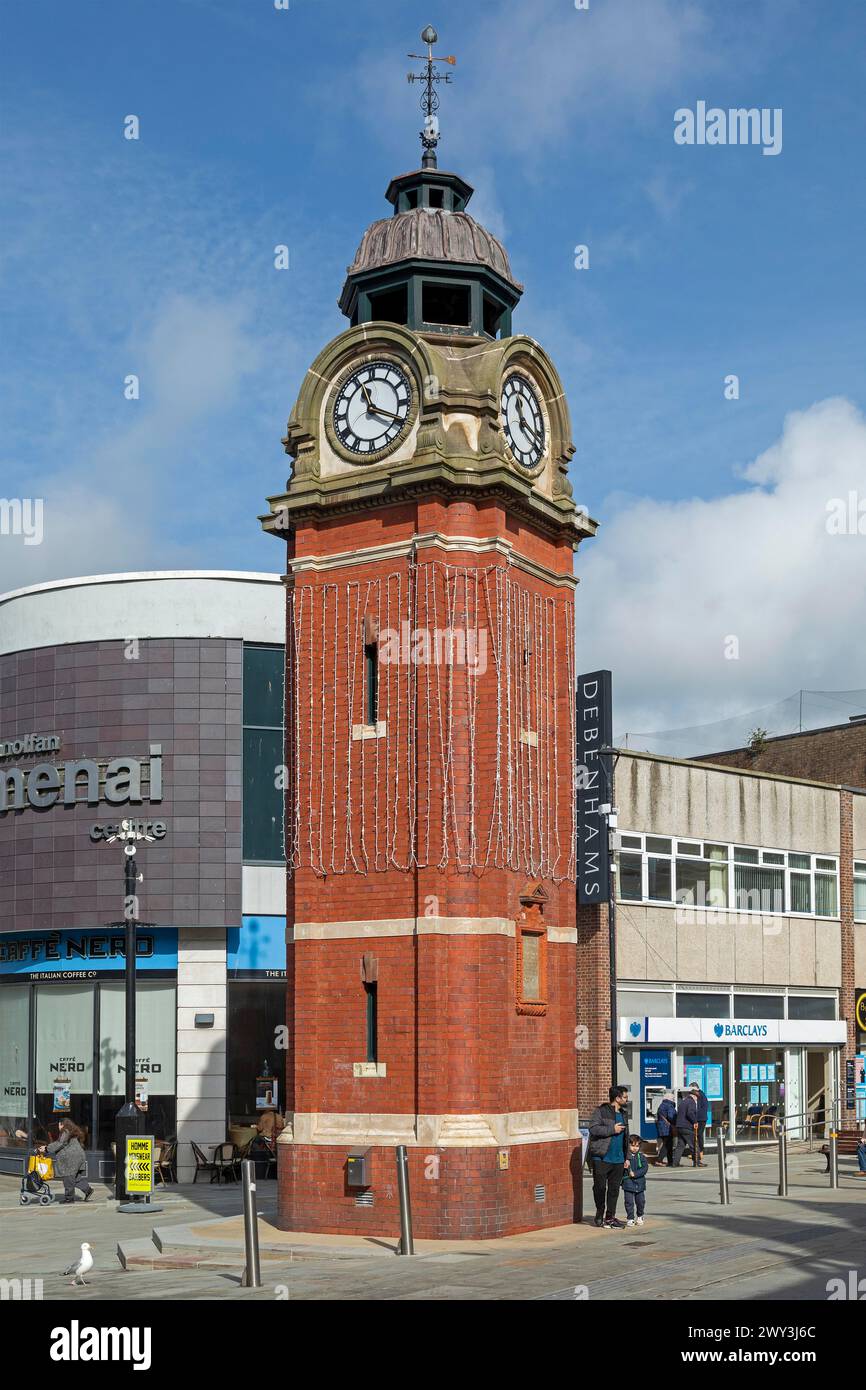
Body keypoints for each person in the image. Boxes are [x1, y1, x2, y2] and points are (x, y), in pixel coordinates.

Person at [587, 1085, 630, 1229]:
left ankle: (610, 1216)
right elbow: (593, 1128)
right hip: (602, 1157)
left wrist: (627, 1157)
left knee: (614, 1189)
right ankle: (600, 1211)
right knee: (599, 1187)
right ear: (617, 1098)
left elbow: (626, 1137)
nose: (627, 1099)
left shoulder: (624, 1113)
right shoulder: (601, 1111)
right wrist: (612, 1129)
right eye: (624, 1097)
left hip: (618, 1158)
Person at [45, 1120, 93, 1204]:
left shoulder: (66, 1131)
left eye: (59, 1125)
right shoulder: (71, 1131)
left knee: (68, 1178)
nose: (58, 1127)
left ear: (62, 1124)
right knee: (75, 1178)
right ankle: (88, 1190)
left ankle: (69, 1199)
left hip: (72, 1159)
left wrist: (46, 1148)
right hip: (78, 1156)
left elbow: (60, 1143)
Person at [622, 1134, 649, 1226]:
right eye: (632, 1145)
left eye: (637, 1146)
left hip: (640, 1183)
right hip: (628, 1183)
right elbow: (619, 1170)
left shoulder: (641, 1157)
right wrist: (624, 1166)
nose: (635, 1148)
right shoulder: (624, 1157)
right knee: (629, 1202)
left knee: (640, 1201)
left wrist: (636, 1174)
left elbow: (645, 1168)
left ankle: (640, 1215)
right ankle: (630, 1218)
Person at [672, 1089, 699, 1167]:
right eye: (697, 1097)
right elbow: (690, 1113)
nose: (697, 1099)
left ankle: (675, 1163)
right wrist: (695, 1121)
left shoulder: (683, 1102)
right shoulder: (691, 1102)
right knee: (694, 1144)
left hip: (680, 1126)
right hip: (687, 1126)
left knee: (680, 1145)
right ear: (694, 1096)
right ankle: (697, 1161)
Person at [655, 1091, 677, 1166]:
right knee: (667, 1144)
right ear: (670, 1099)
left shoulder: (662, 1105)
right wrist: (676, 1120)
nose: (674, 1100)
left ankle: (670, 1161)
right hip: (667, 1127)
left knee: (668, 1144)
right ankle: (659, 1160)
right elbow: (671, 1116)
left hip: (662, 1126)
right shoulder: (669, 1105)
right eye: (673, 1098)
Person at [690, 1082, 709, 1166]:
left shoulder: (700, 1095)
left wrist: (695, 1118)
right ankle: (698, 1152)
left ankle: (700, 1152)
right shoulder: (701, 1094)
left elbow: (698, 1108)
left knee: (698, 1135)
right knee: (698, 1135)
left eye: (691, 1090)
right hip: (701, 1118)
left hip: (700, 1119)